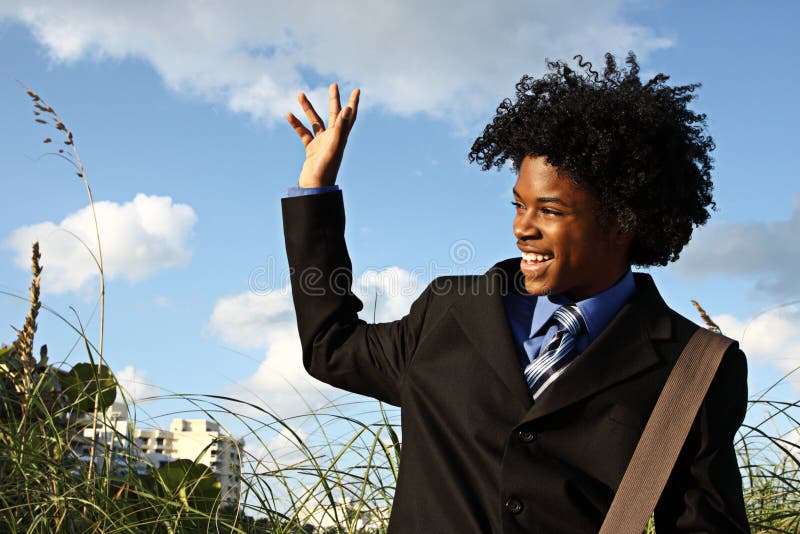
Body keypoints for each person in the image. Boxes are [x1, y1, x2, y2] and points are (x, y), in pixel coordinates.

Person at [281, 53, 750, 533]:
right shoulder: (450, 310)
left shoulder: (695, 368)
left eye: (549, 210)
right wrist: (315, 191)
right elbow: (330, 347)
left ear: (622, 222)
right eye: (518, 204)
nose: (521, 228)